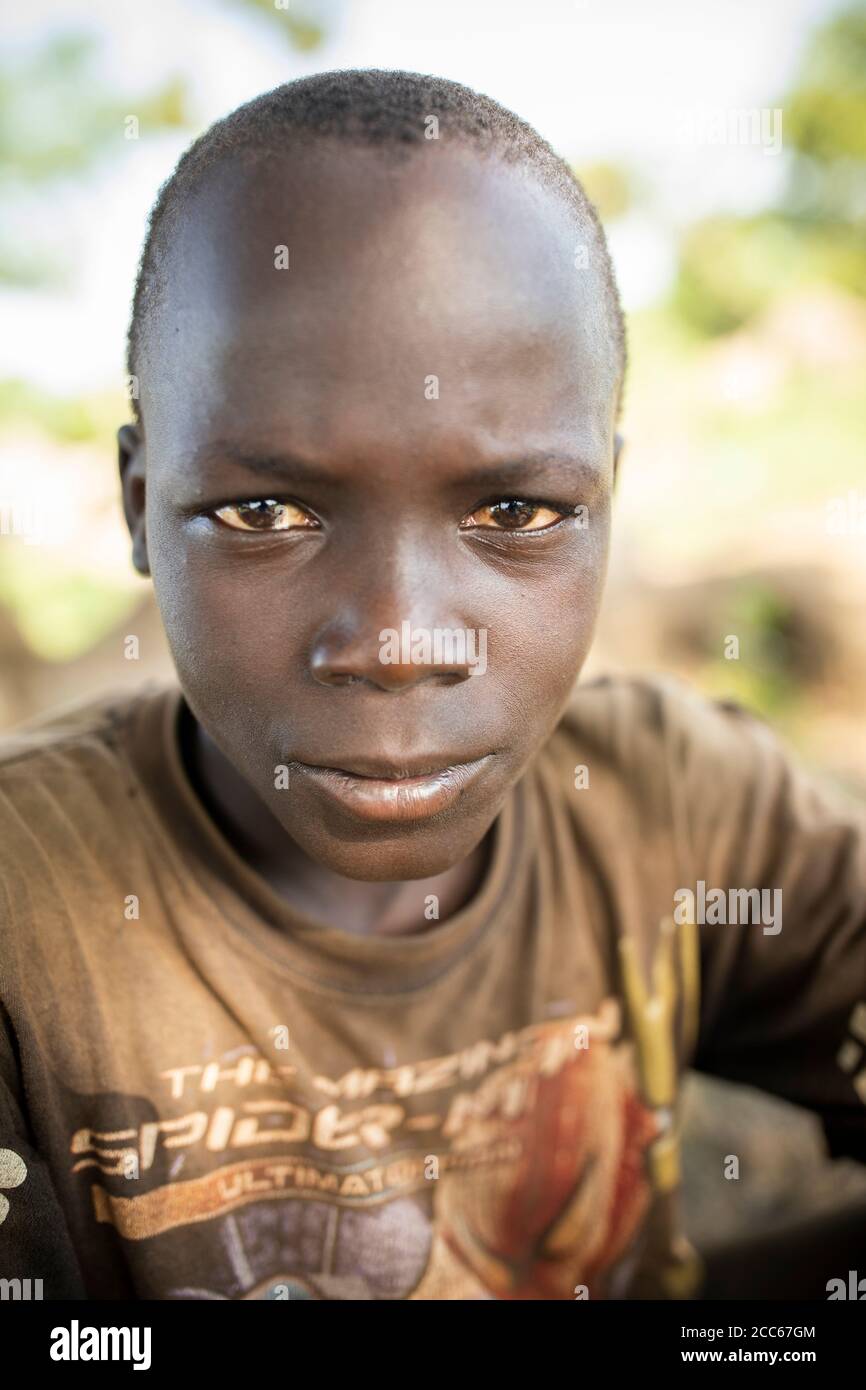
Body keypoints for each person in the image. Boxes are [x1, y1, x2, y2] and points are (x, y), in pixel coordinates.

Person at [1, 69, 864, 1301]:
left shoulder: (680, 810)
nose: (400, 642)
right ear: (139, 504)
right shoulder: (26, 931)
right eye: (266, 510)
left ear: (604, 498)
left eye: (514, 510)